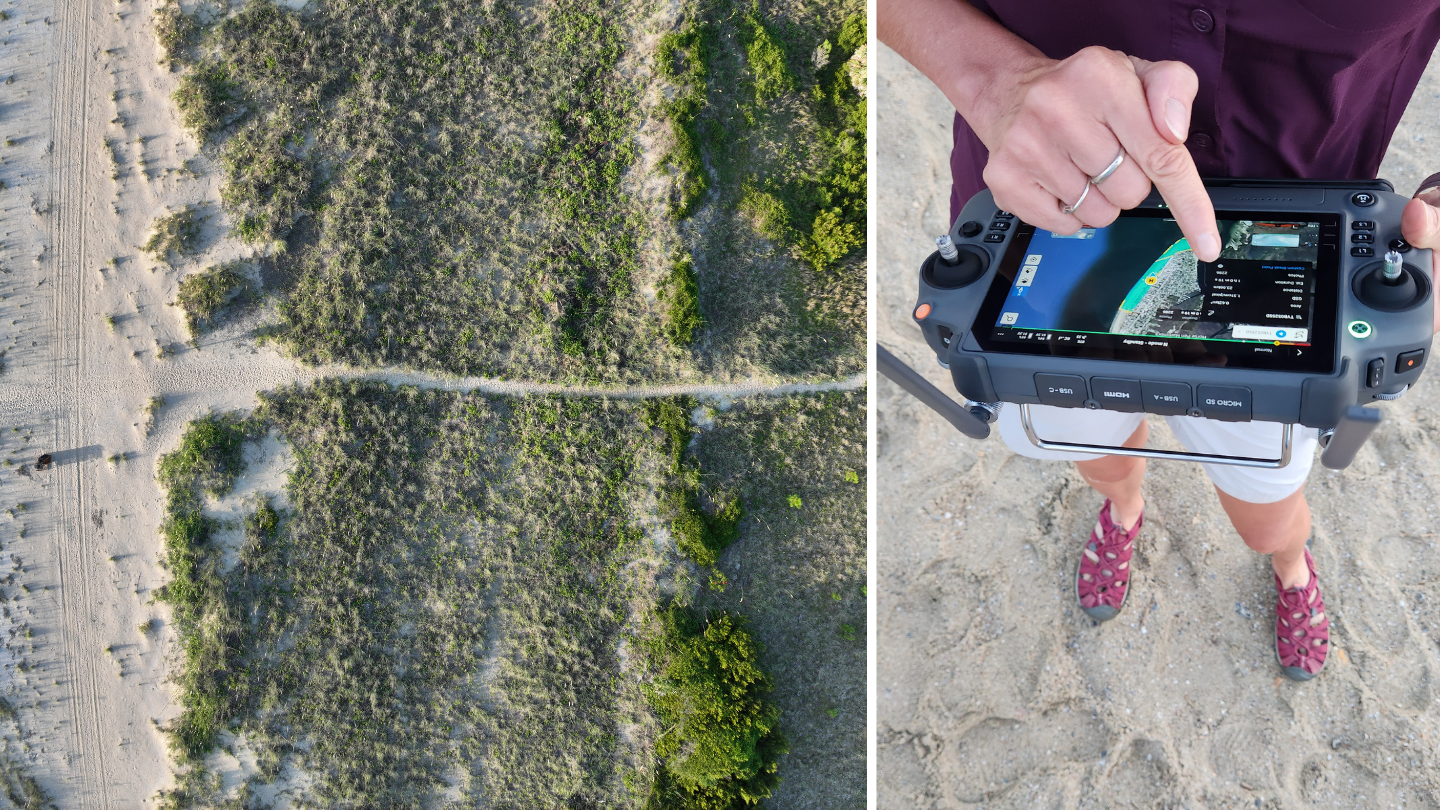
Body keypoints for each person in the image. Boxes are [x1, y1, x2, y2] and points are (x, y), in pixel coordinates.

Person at [878, 0, 1440, 680]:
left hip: (1300, 295)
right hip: (1031, 232)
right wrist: (995, 79)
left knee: (1267, 520)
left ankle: (1291, 567)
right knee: (1101, 460)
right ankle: (1125, 509)